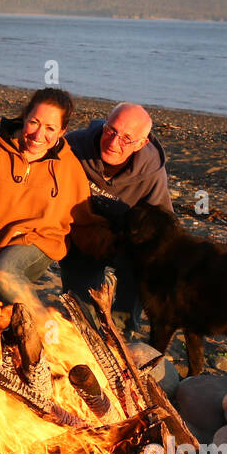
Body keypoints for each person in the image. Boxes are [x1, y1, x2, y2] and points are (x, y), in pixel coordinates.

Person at [0, 87, 112, 312]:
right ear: (24, 117)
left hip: (38, 242)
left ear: (62, 131)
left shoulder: (69, 168)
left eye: (50, 128)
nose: (38, 135)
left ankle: (42, 324)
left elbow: (84, 220)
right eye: (34, 122)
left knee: (3, 273)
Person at [63, 102, 173, 329]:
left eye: (126, 138)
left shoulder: (152, 172)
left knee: (144, 264)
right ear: (104, 124)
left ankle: (124, 333)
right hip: (82, 237)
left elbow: (163, 224)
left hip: (126, 242)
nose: (113, 143)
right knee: (83, 319)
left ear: (141, 143)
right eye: (111, 130)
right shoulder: (73, 146)